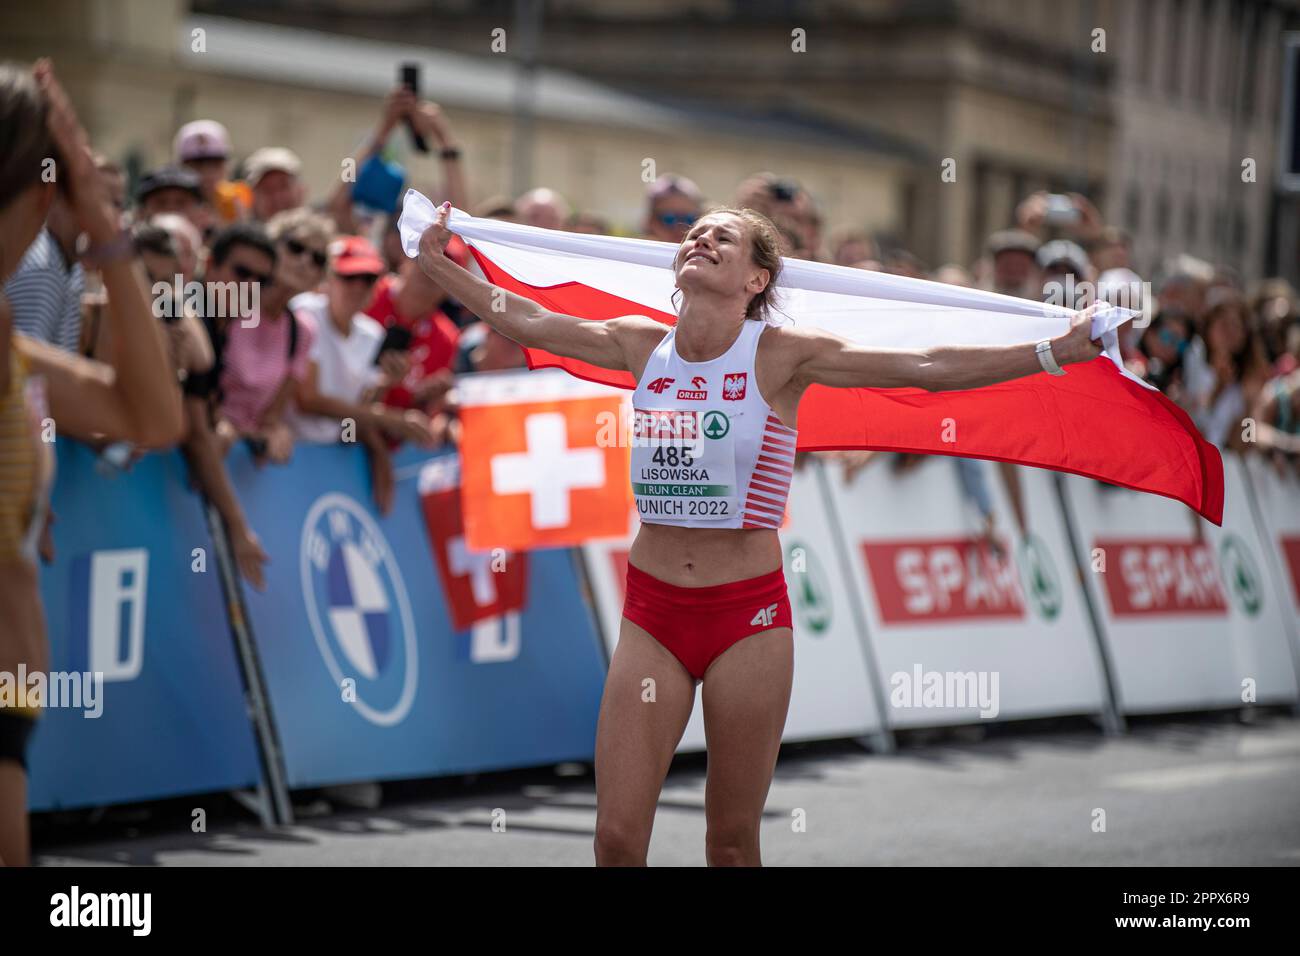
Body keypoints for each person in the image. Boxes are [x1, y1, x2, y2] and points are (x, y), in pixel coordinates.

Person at [414, 200, 1104, 866]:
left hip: (748, 618)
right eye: (695, 234)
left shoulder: (781, 356)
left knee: (732, 845)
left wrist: (1055, 350)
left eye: (723, 238)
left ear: (756, 280)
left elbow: (925, 367)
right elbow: (528, 321)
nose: (701, 241)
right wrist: (438, 264)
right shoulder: (640, 343)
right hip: (652, 616)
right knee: (617, 842)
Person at [0, 59, 183, 866]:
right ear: (45, 196)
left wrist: (109, 242)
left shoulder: (11, 351)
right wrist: (103, 230)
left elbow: (150, 414)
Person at [174, 119, 251, 224]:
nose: (207, 173)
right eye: (197, 165)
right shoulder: (169, 207)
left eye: (215, 164)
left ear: (228, 167)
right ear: (180, 168)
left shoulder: (241, 205)